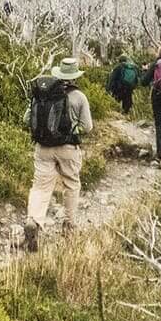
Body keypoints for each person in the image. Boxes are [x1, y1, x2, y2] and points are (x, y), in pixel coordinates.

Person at [24, 56, 93, 250]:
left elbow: (27, 118)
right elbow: (87, 127)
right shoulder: (79, 96)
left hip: (42, 147)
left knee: (40, 187)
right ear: (75, 75)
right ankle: (69, 227)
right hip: (68, 148)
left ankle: (34, 220)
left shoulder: (42, 93)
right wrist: (70, 130)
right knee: (71, 184)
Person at [105, 48, 140, 114]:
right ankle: (127, 113)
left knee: (117, 100)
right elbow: (138, 77)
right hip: (130, 87)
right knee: (127, 100)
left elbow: (112, 78)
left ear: (119, 60)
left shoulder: (118, 67)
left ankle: (118, 113)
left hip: (120, 88)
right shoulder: (133, 67)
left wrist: (108, 88)